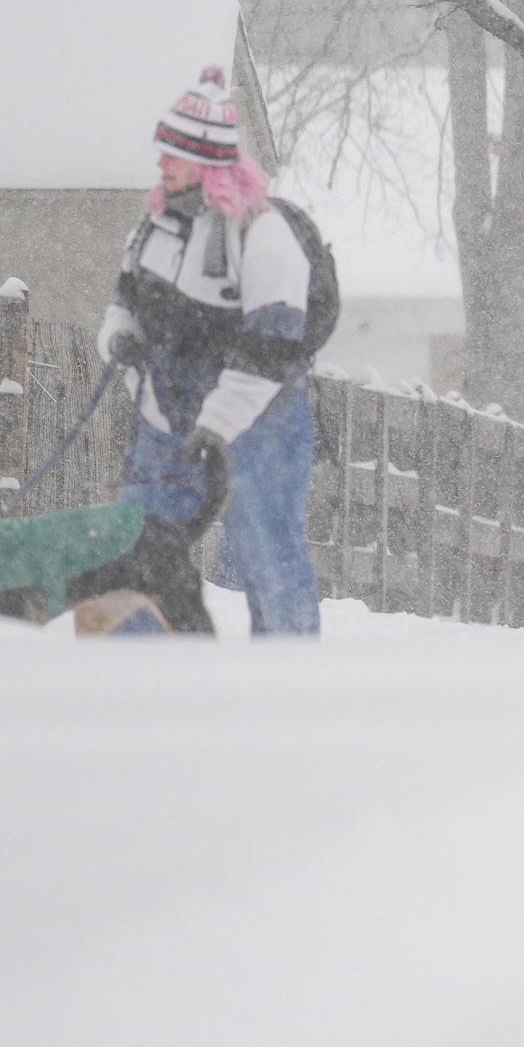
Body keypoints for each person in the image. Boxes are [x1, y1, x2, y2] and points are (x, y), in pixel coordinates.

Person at [101, 67, 324, 637]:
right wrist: (121, 345)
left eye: (172, 153)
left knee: (268, 558)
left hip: (261, 423)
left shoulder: (260, 234)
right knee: (136, 546)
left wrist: (217, 426)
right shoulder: (152, 227)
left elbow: (273, 350)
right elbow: (122, 304)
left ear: (205, 162)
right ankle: (140, 683)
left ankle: (286, 688)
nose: (161, 164)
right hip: (165, 419)